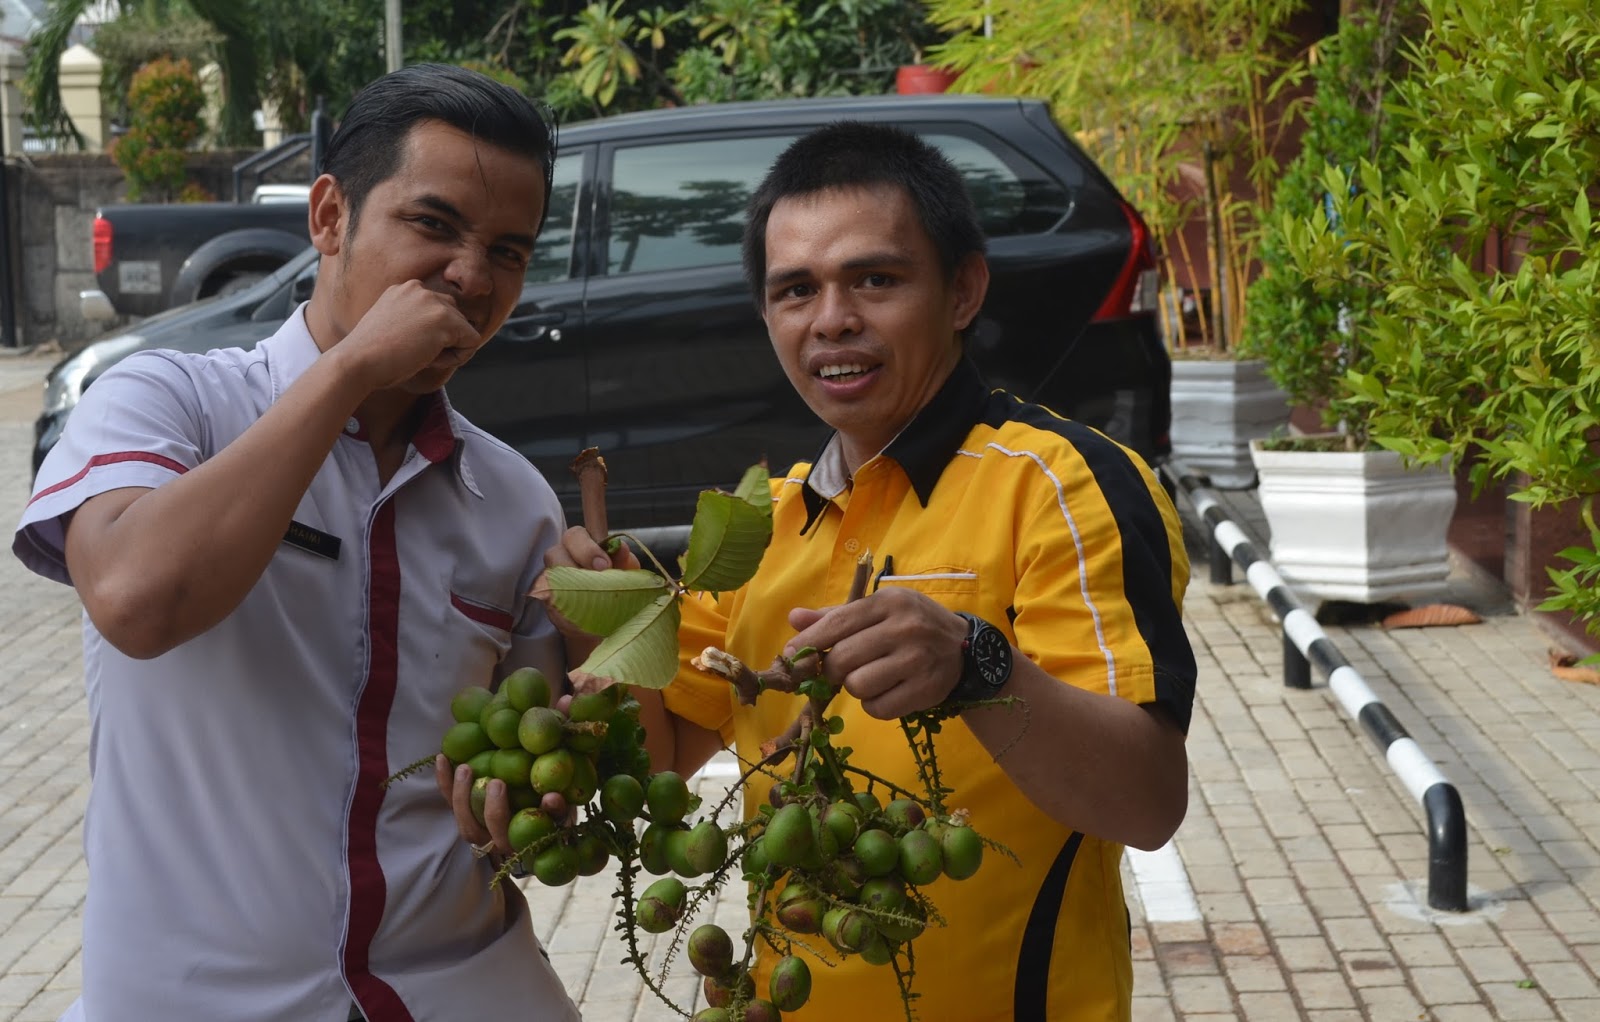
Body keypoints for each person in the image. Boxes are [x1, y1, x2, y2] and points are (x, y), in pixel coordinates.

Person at [535, 122, 1198, 1020]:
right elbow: (662, 755)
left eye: (875, 279)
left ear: (963, 290)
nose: (832, 318)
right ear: (767, 315)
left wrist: (979, 664)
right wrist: (604, 624)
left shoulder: (1061, 485)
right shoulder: (762, 522)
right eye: (795, 290)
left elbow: (1146, 800)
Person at [14, 64, 580, 1022]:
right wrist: (352, 369)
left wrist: (543, 783)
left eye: (509, 251)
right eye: (434, 226)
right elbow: (136, 600)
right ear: (329, 217)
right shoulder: (169, 402)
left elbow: (524, 811)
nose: (473, 278)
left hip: (467, 987)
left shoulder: (511, 498)